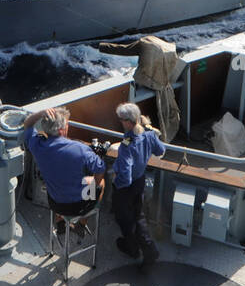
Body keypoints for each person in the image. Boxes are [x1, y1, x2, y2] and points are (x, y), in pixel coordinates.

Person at [21, 106, 105, 241]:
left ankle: (60, 220)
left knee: (57, 181)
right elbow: (100, 169)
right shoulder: (81, 149)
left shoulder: (37, 145)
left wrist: (41, 113)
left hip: (54, 202)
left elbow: (27, 124)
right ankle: (82, 223)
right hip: (79, 206)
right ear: (62, 130)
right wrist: (93, 182)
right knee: (100, 182)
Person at [111, 103, 165, 266]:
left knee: (125, 219)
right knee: (138, 216)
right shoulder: (148, 135)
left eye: (121, 120)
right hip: (140, 182)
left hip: (125, 187)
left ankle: (133, 249)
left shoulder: (127, 143)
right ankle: (150, 250)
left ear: (128, 121)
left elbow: (125, 172)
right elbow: (160, 150)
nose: (120, 122)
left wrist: (117, 183)